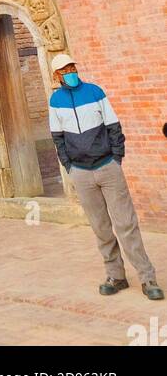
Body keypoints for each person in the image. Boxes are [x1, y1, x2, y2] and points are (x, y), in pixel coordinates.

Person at [49, 53, 163, 300]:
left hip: (107, 167)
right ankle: (116, 276)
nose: (70, 72)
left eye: (72, 67)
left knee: (126, 223)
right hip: (81, 173)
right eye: (65, 70)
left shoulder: (95, 92)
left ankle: (147, 277)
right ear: (57, 76)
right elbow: (57, 138)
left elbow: (114, 127)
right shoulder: (55, 101)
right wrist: (69, 166)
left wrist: (116, 158)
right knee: (100, 227)